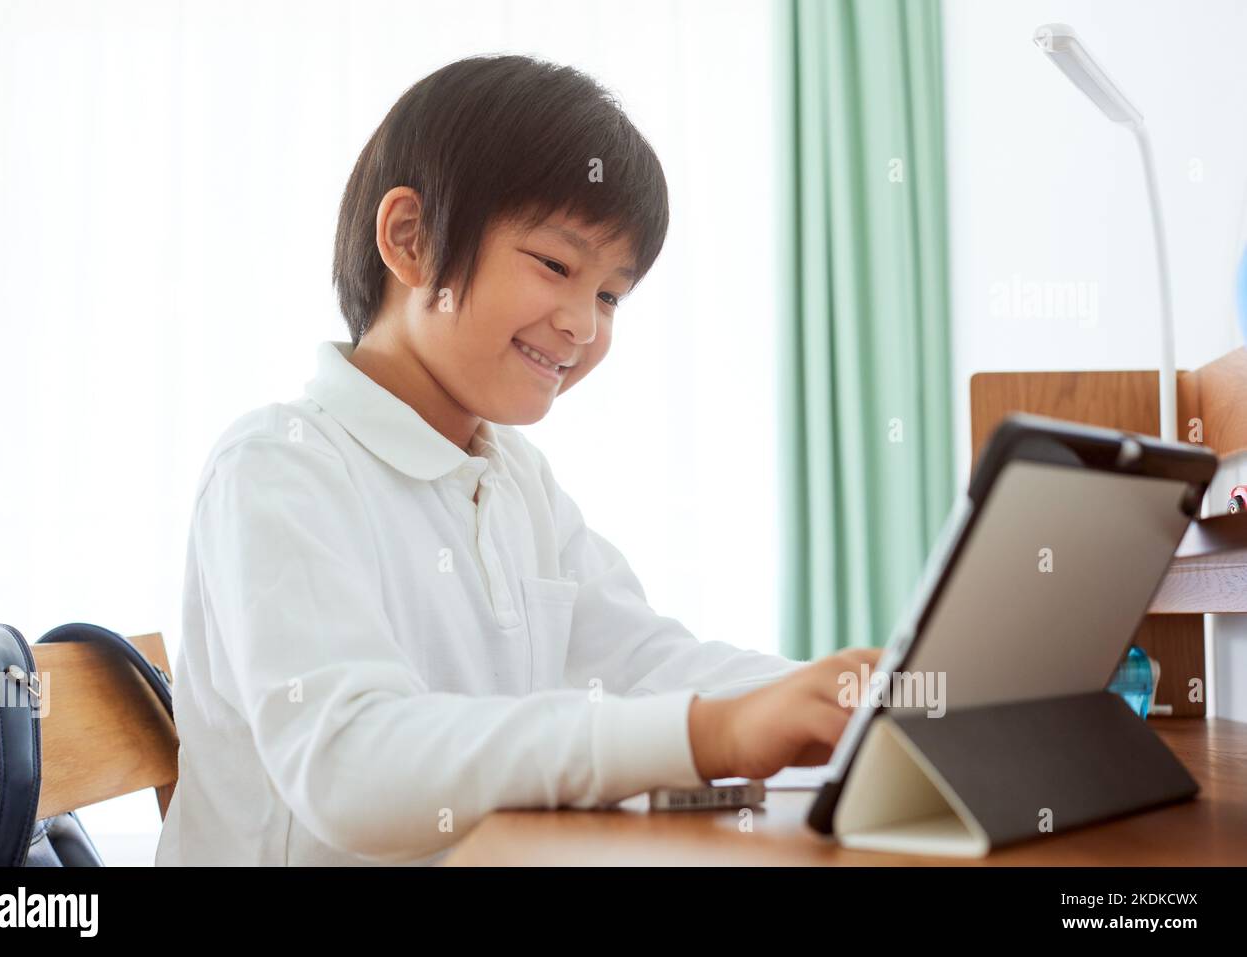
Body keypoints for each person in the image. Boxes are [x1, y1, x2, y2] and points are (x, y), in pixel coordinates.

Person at [155, 54, 880, 866]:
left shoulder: (514, 476)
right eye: (557, 266)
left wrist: (861, 702)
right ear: (410, 240)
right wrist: (711, 735)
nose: (583, 325)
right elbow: (350, 766)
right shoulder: (278, 467)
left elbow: (643, 662)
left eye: (610, 294)